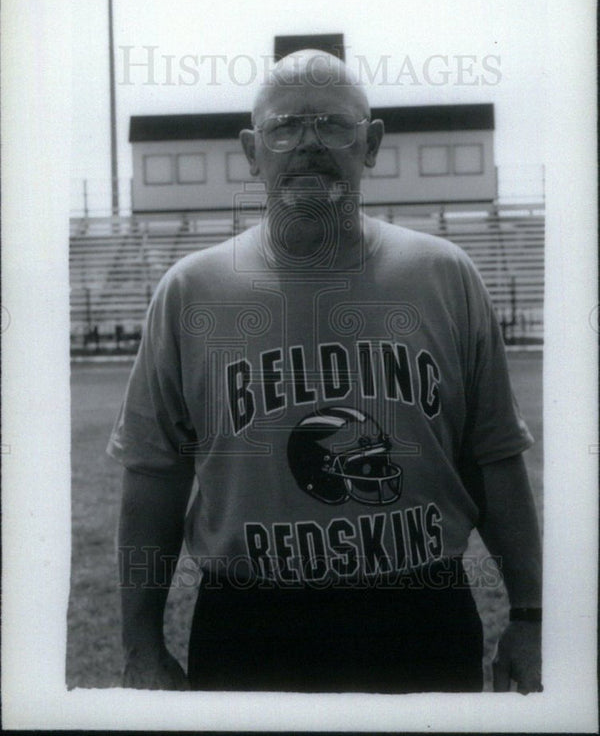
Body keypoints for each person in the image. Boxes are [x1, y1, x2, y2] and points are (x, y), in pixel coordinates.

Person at [108, 50, 542, 693]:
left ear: (370, 144)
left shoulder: (445, 276)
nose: (308, 145)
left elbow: (495, 458)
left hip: (421, 614)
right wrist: (141, 645)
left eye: (334, 126)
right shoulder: (190, 291)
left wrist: (531, 616)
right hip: (250, 623)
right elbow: (155, 478)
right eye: (286, 127)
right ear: (253, 151)